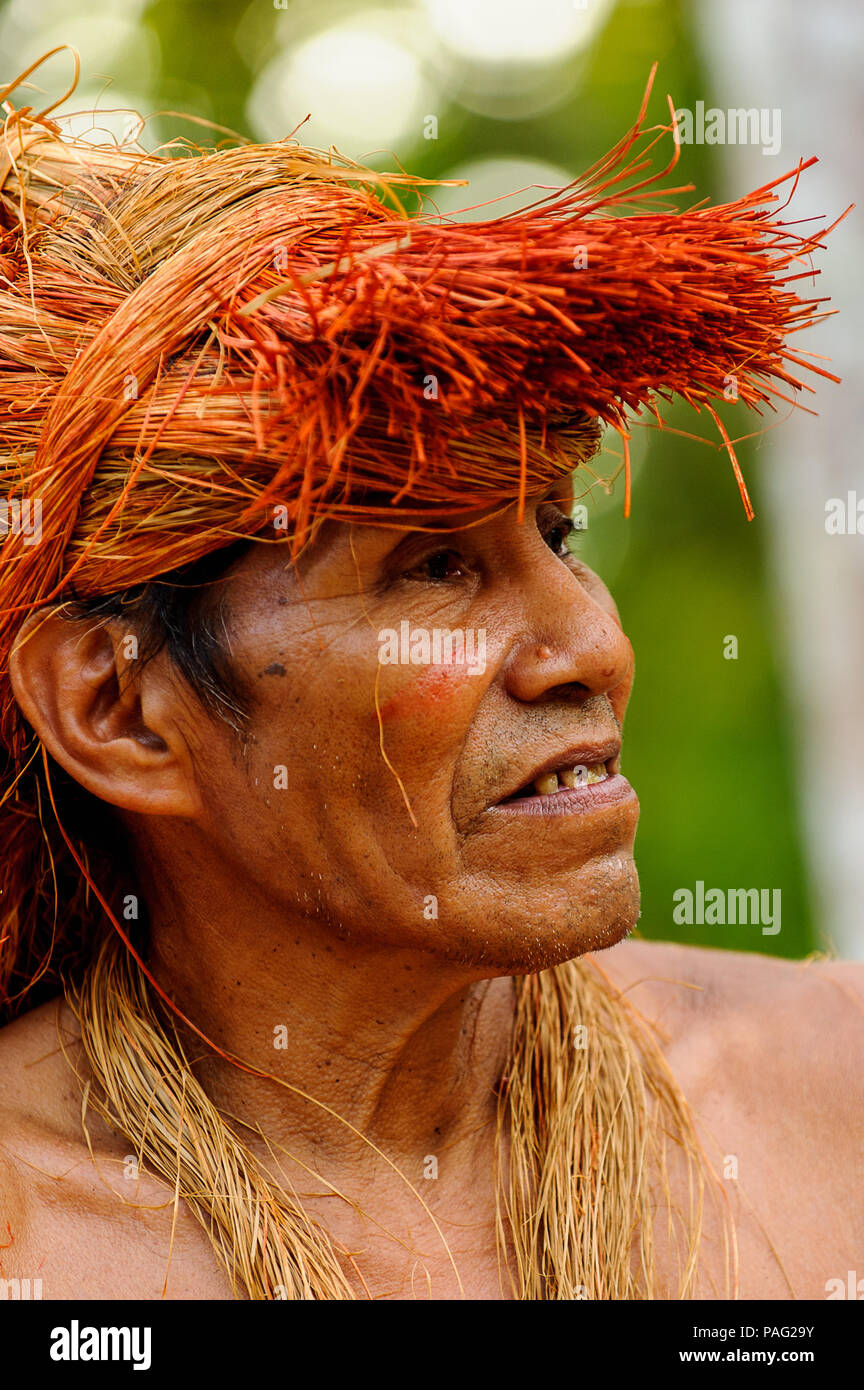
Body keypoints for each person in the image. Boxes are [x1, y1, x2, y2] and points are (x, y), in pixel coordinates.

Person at [0, 51, 860, 1301]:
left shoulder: (826, 1095)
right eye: (432, 568)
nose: (589, 649)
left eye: (559, 537)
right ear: (116, 706)